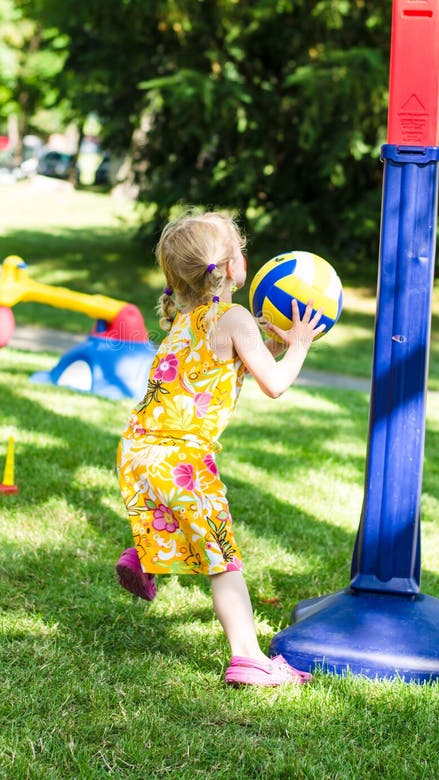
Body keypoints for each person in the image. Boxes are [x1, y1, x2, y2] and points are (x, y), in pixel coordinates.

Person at [115, 210, 325, 687]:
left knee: (174, 512)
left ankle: (144, 557)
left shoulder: (184, 321)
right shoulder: (233, 317)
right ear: (234, 268)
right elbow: (273, 383)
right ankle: (248, 658)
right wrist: (299, 345)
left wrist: (268, 340)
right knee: (223, 561)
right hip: (183, 461)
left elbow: (224, 365)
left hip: (139, 451)